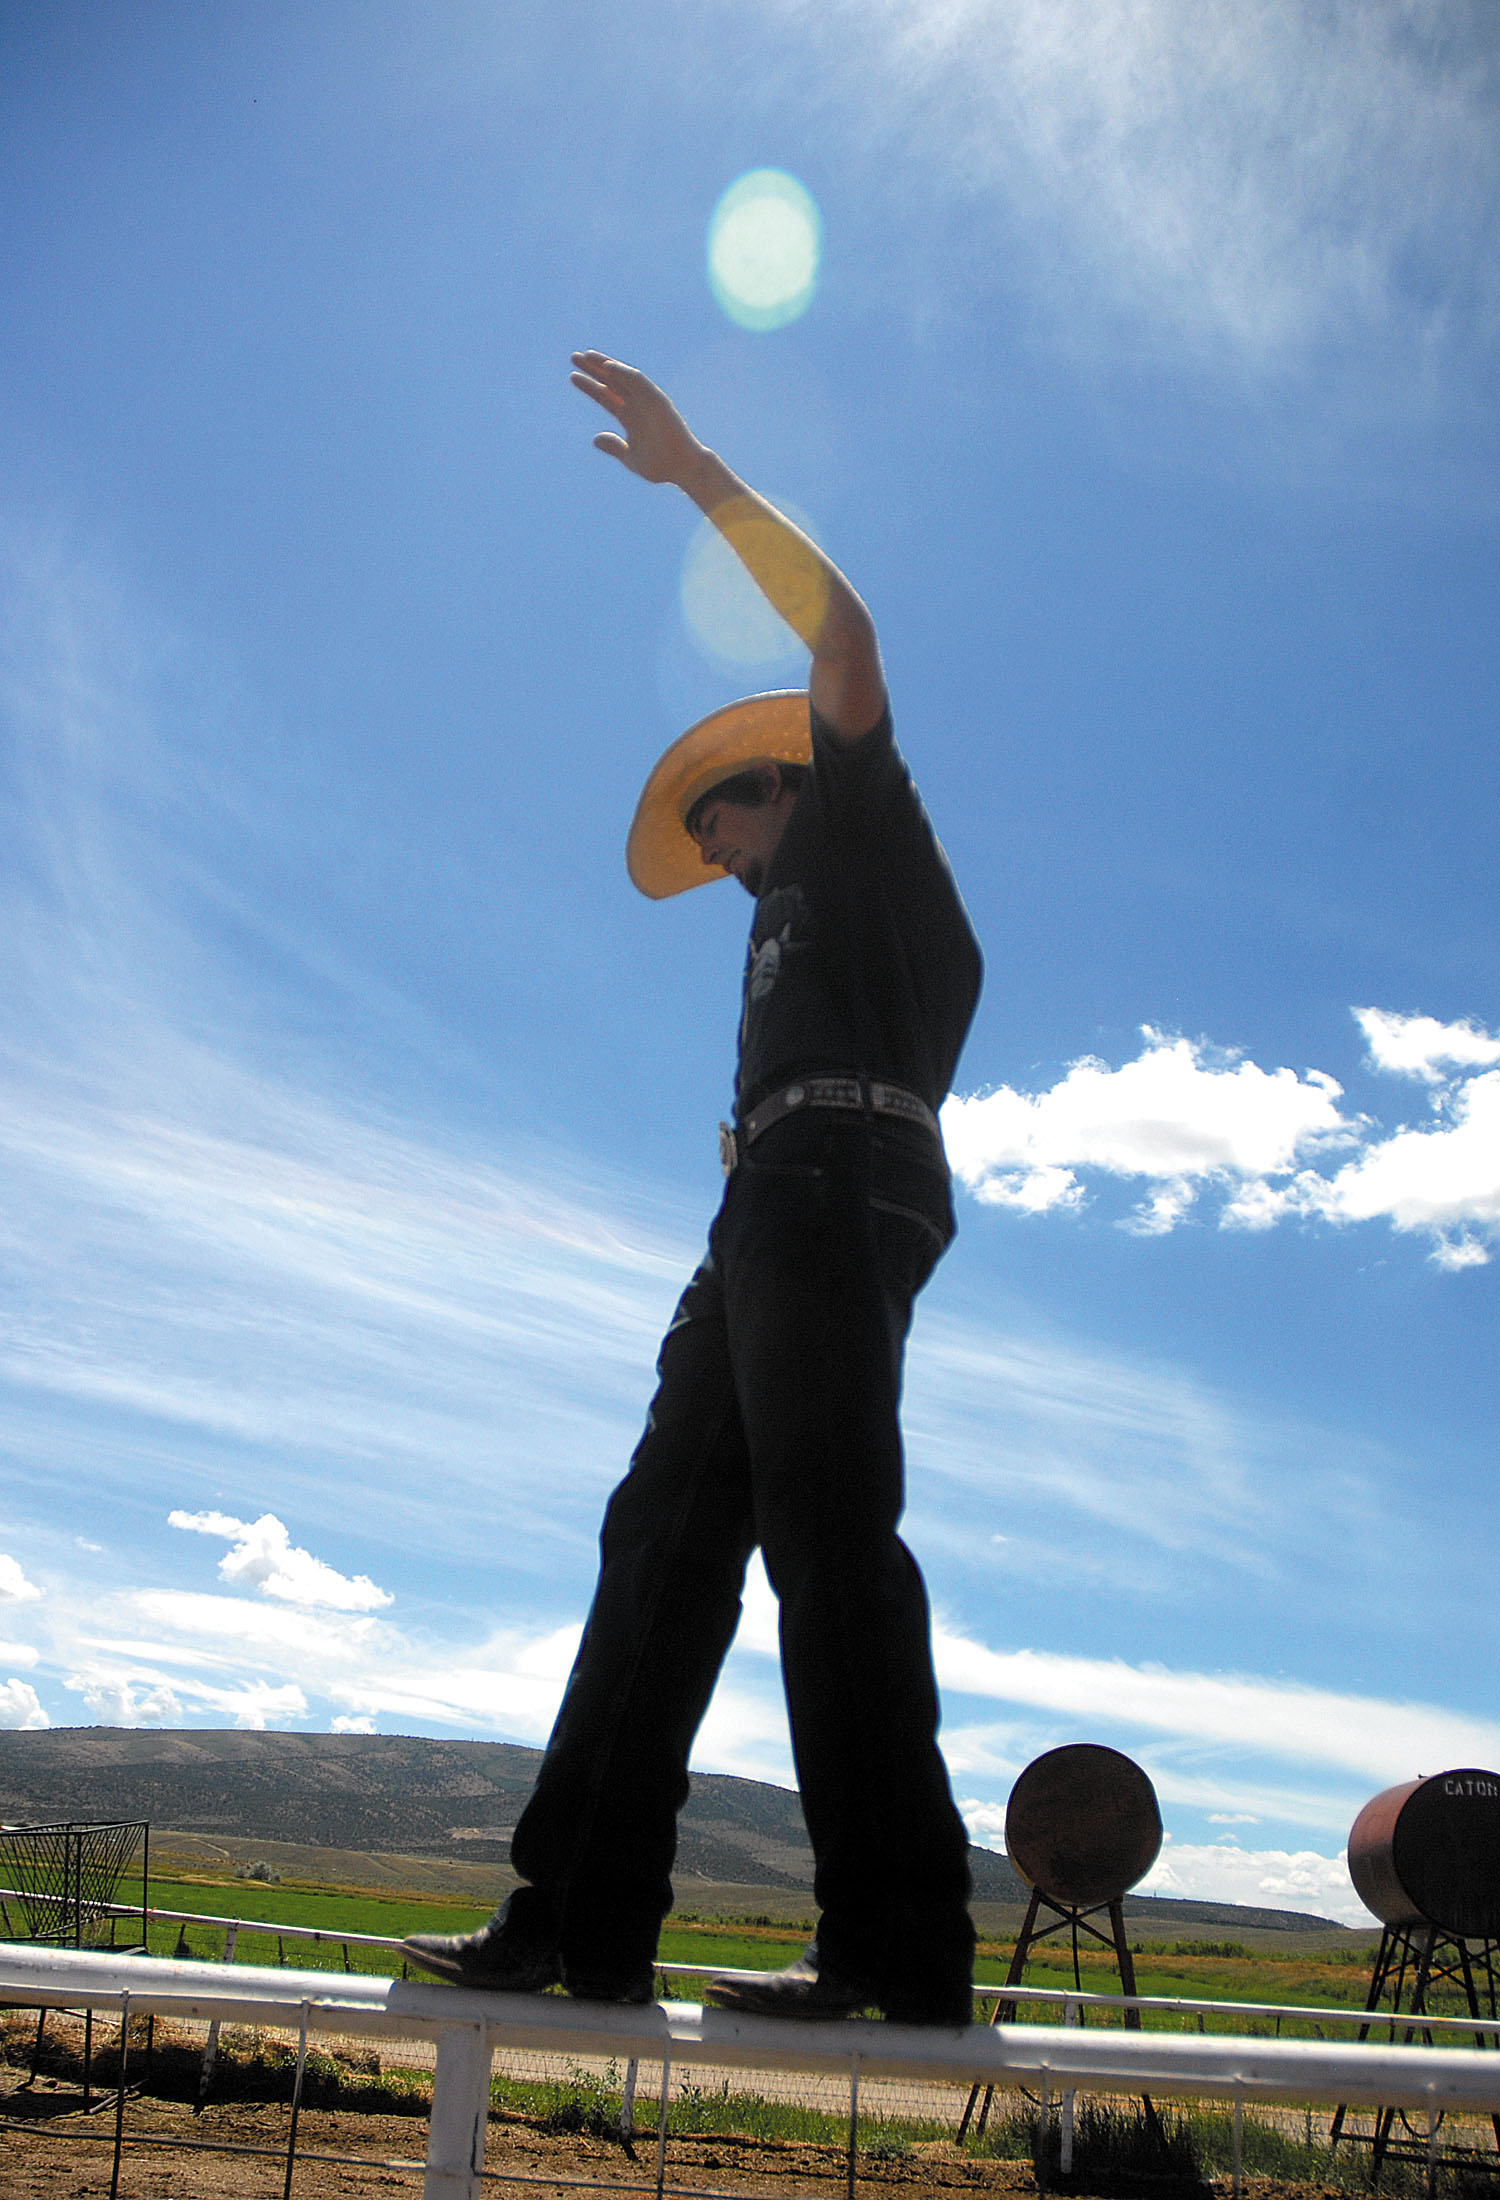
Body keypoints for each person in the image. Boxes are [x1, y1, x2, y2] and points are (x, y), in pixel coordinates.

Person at [403, 352, 982, 2025]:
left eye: (722, 804)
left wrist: (699, 473)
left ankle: (899, 1947)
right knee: (659, 1533)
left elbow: (849, 641)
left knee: (826, 1535)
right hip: (760, 1209)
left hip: (840, 1180)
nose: (712, 841)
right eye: (701, 826)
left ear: (790, 775)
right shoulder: (774, 926)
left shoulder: (864, 833)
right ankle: (578, 1922)